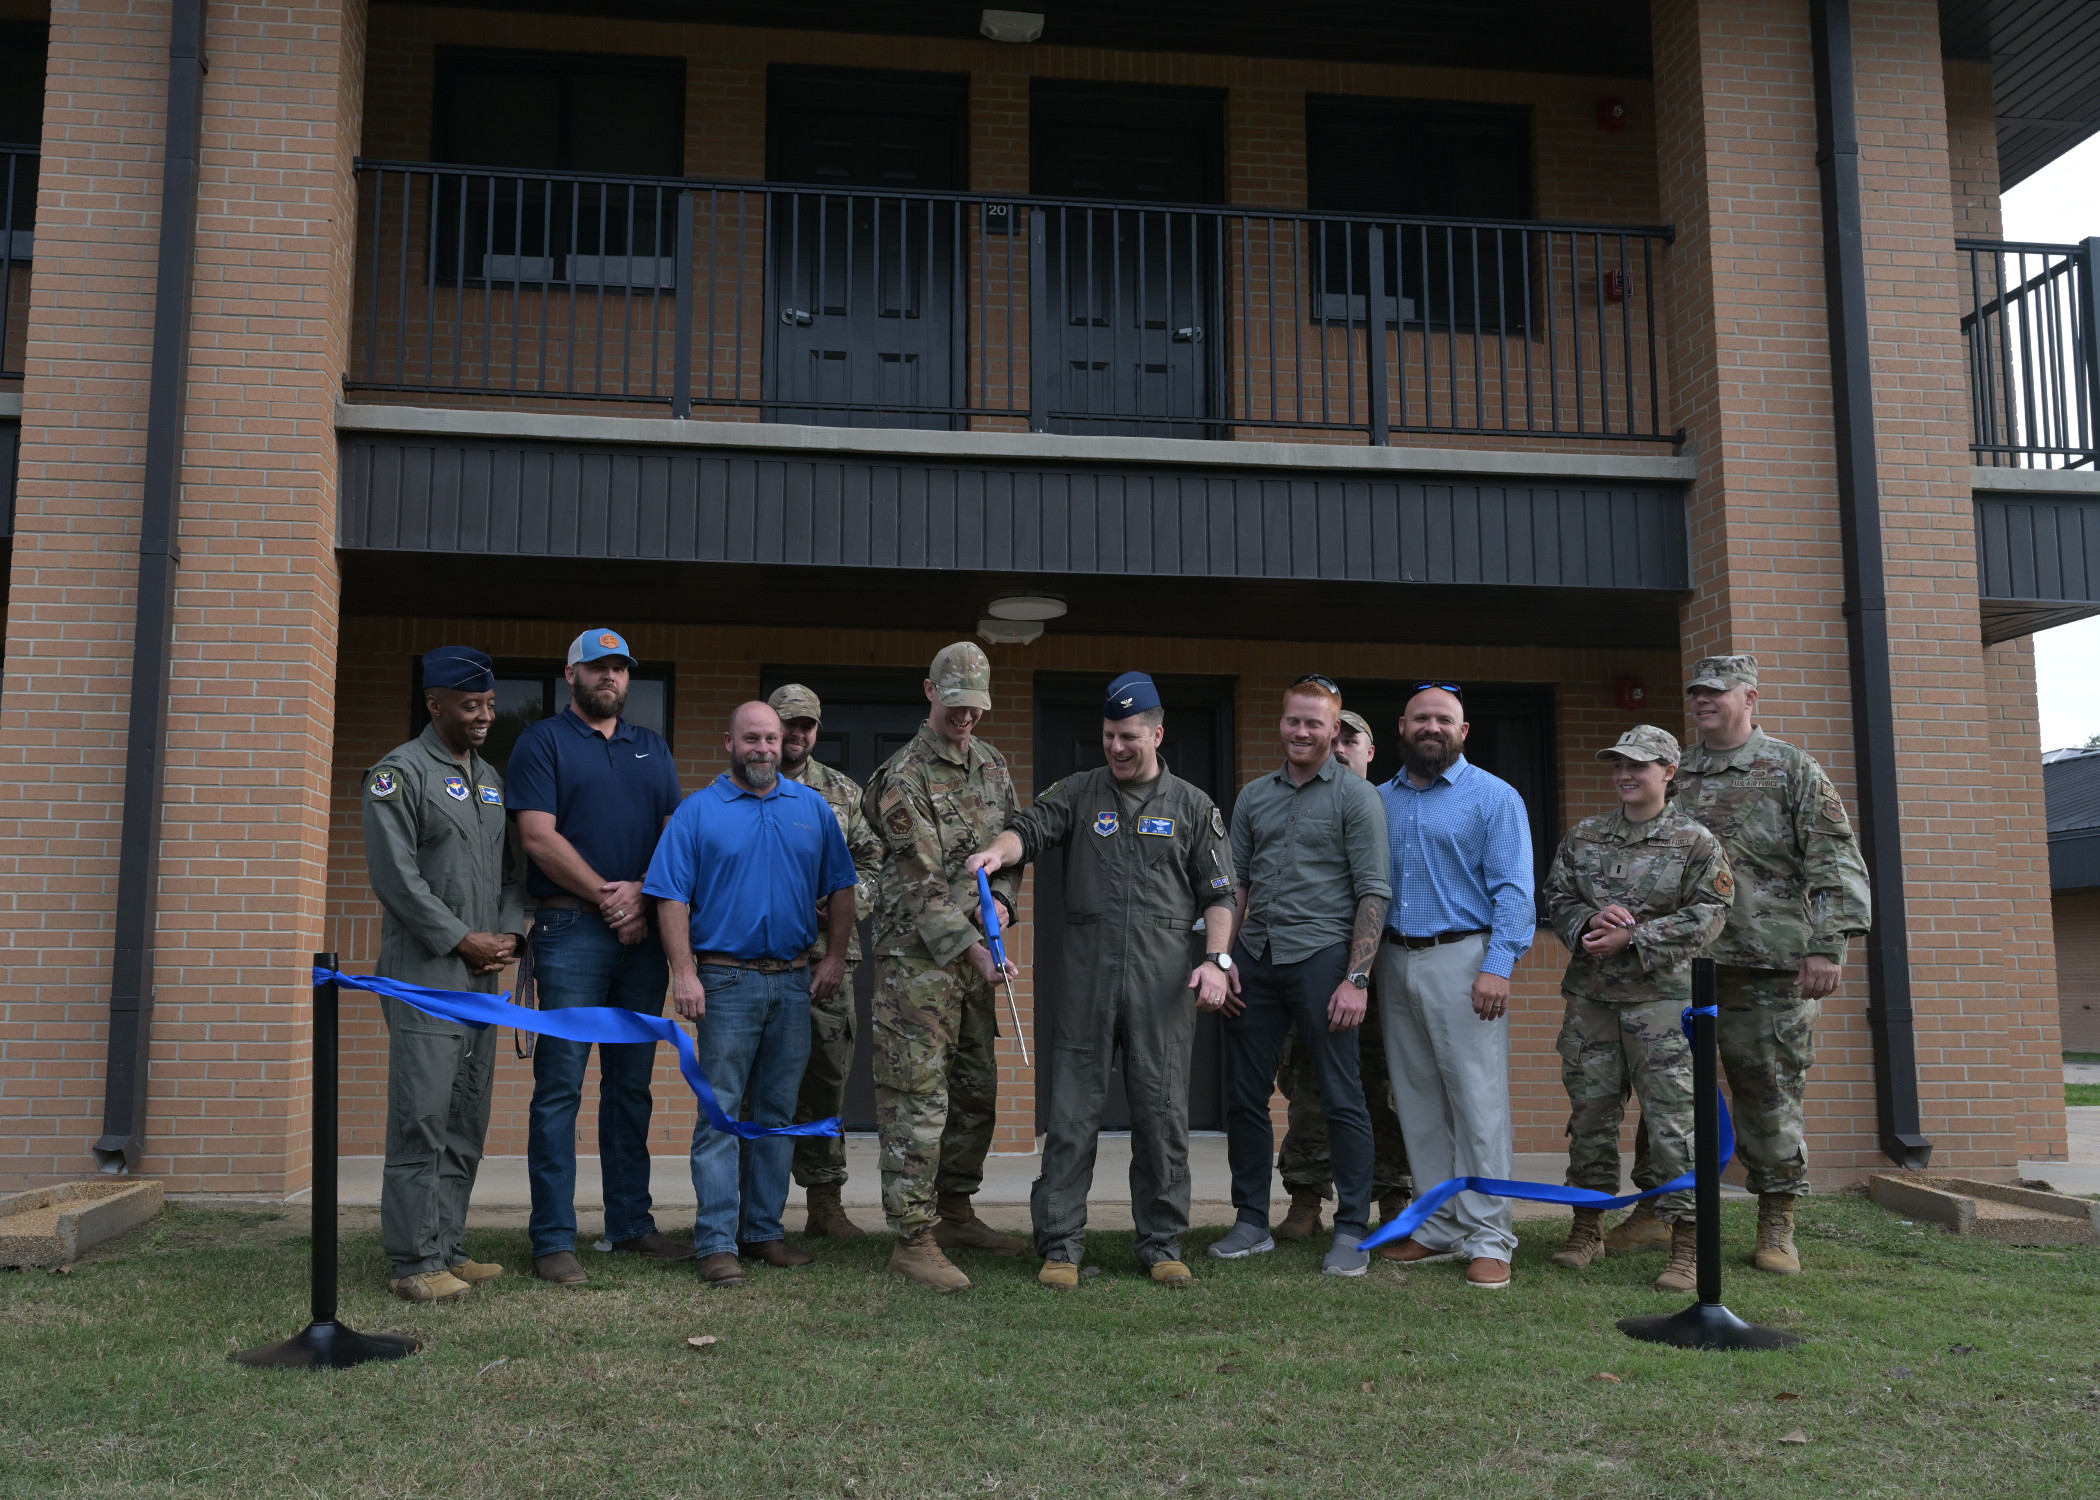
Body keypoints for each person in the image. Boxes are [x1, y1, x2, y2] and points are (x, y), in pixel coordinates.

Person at [968, 671, 1238, 1290]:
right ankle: (1061, 1246)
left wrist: (1216, 960)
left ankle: (1163, 1243)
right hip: (1088, 981)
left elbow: (1220, 893)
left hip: (1164, 982)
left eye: (1130, 737)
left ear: (1157, 733)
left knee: (1163, 1114)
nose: (1117, 747)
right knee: (1071, 1115)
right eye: (1110, 735)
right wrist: (998, 852)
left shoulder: (1193, 807)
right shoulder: (1081, 792)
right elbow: (1031, 828)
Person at [1603, 654, 1871, 1273]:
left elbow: (1834, 859)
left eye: (1716, 692)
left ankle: (1776, 1219)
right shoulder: (1674, 770)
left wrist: (1827, 947)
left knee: (1768, 1089)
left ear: (1750, 697)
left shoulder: (1790, 768)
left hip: (1766, 962)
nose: (1702, 701)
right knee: (1666, 1094)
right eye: (1695, 691)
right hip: (1676, 962)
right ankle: (1657, 1208)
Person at [643, 702, 856, 1288]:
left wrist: (833, 957)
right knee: (721, 1116)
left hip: (792, 980)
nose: (764, 747)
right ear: (729, 743)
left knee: (778, 1116)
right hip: (726, 981)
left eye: (772, 737)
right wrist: (682, 972)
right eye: (752, 738)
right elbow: (669, 896)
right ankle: (716, 1242)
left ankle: (764, 1233)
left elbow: (842, 887)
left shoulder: (811, 808)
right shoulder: (698, 812)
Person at [508, 629, 685, 1286]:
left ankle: (630, 1225)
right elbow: (537, 835)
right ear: (572, 674)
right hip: (570, 932)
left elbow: (674, 833)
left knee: (631, 1086)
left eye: (619, 668)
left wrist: (641, 893)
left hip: (642, 938)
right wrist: (607, 896)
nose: (609, 677)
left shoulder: (652, 747)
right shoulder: (542, 742)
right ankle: (553, 1238)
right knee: (560, 1088)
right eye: (597, 667)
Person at [1209, 675, 1391, 1278]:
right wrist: (1224, 959)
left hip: (1322, 959)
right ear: (1281, 723)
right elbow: (1236, 887)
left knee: (1343, 1096)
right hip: (1256, 959)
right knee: (1244, 1096)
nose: (1303, 731)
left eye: (1315, 723)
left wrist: (1356, 979)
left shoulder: (1356, 799)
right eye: (1294, 720)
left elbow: (1373, 892)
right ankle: (1251, 1221)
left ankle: (1350, 1229)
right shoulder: (1254, 796)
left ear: (1334, 730)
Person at [360, 646, 526, 1303]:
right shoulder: (399, 774)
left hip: (482, 975)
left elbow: (513, 873)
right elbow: (394, 877)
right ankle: (413, 1262)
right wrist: (460, 938)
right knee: (422, 1116)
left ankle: (449, 1247)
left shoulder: (488, 778)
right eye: (470, 705)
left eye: (488, 703)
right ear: (435, 704)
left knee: (465, 1115)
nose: (485, 715)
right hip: (427, 972)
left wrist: (510, 931)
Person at [1543, 725, 1734, 1294]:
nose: (1626, 775)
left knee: (1675, 1125)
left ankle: (1688, 1246)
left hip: (1663, 1004)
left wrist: (1638, 938)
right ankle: (1586, 1229)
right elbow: (1557, 896)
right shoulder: (1585, 836)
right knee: (1591, 1119)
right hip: (1592, 1002)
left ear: (1669, 773)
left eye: (1640, 766)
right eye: (1619, 765)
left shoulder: (1695, 842)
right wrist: (1587, 925)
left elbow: (1713, 910)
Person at [862, 642, 1025, 1292]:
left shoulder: (991, 765)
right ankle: (913, 1237)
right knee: (918, 1101)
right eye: (955, 707)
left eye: (975, 709)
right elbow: (921, 885)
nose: (966, 720)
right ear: (930, 693)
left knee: (975, 1091)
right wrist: (974, 948)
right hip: (920, 969)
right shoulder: (902, 777)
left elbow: (1010, 848)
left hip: (978, 958)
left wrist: (1005, 909)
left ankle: (956, 1211)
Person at [1374, 682, 1535, 1290]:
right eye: (1421, 718)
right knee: (1415, 1102)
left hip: (1466, 959)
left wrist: (1499, 965)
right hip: (1395, 959)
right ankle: (1438, 1224)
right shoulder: (1379, 800)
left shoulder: (1494, 797)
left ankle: (1491, 1236)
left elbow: (1515, 891)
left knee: (1478, 1104)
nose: (1432, 727)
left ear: (1463, 732)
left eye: (1444, 719)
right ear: (1403, 726)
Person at [1273, 708, 1412, 1240]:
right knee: (1310, 1084)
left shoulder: (1394, 808)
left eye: (1353, 740)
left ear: (1371, 752)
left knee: (1383, 1085)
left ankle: (1393, 1195)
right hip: (1316, 967)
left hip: (1385, 974)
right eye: (1337, 739)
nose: (1341, 748)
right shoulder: (1301, 806)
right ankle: (1306, 1196)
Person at [770, 683, 885, 1240]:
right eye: (787, 723)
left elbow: (874, 860)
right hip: (756, 961)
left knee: (826, 1079)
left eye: (806, 726)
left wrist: (840, 908)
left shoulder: (842, 793)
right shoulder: (743, 784)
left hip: (825, 961)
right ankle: (755, 1203)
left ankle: (824, 1203)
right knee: (755, 1084)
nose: (796, 735)